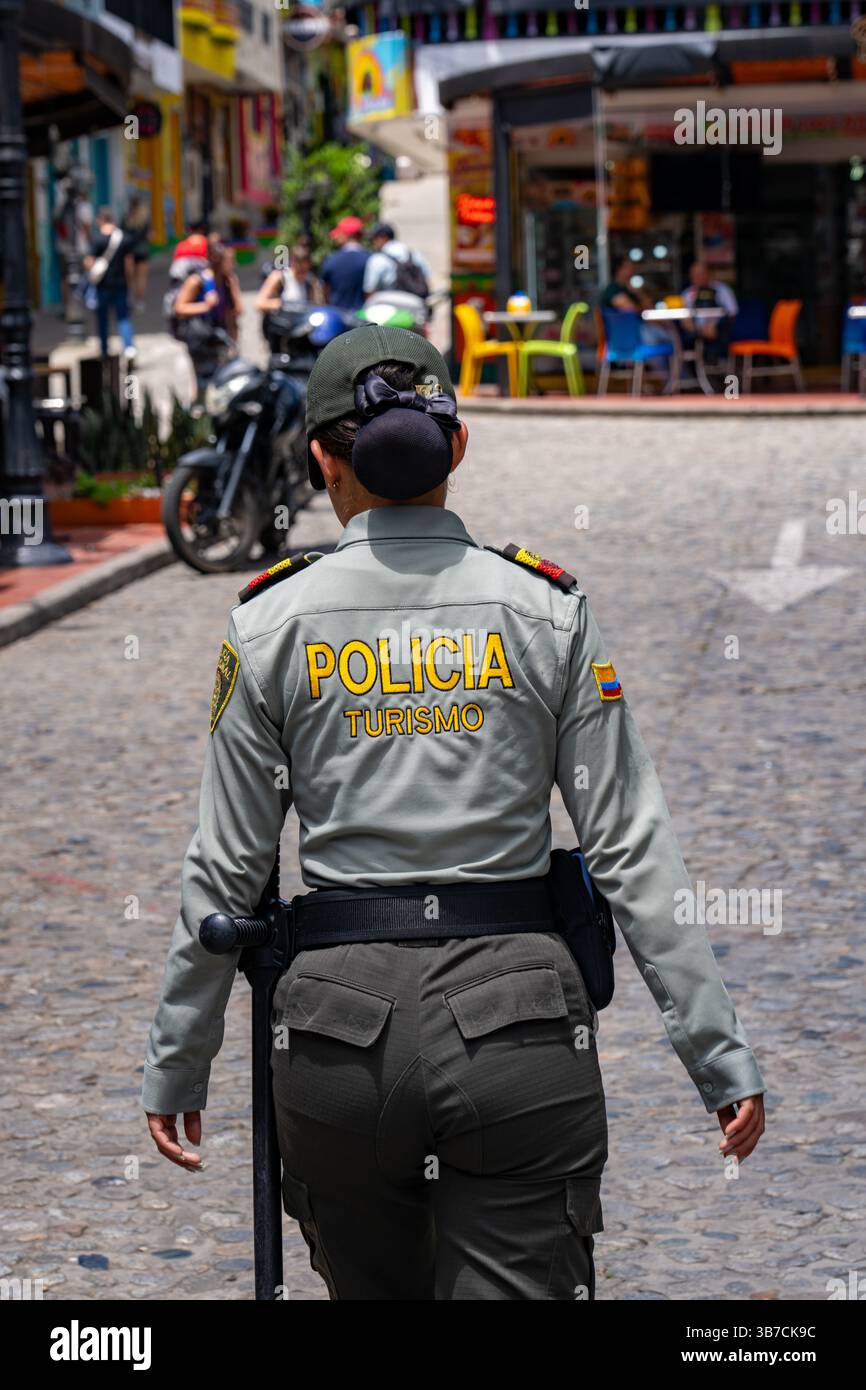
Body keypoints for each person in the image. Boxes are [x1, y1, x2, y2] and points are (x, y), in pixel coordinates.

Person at [141, 325, 766, 1301]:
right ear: (457, 446)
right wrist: (714, 1050)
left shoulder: (267, 620)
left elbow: (225, 867)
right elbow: (629, 845)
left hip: (335, 1039)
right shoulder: (544, 608)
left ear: (318, 458)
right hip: (515, 1029)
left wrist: (179, 1063)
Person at [174, 234, 241, 391]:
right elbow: (179, 308)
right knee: (204, 382)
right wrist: (205, 305)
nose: (232, 264)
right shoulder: (197, 281)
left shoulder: (226, 281)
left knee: (224, 380)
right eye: (229, 260)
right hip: (200, 339)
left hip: (220, 338)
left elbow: (236, 311)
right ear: (218, 261)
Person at [84, 206, 136, 362]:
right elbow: (129, 264)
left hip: (102, 286)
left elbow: (89, 261)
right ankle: (128, 348)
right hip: (121, 284)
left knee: (102, 319)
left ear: (101, 220)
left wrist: (93, 271)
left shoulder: (97, 239)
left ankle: (105, 350)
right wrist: (130, 282)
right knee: (123, 318)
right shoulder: (124, 238)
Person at [363, 221, 431, 300]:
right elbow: (426, 277)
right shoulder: (414, 254)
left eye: (373, 239)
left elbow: (370, 290)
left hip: (389, 306)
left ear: (382, 237)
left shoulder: (377, 259)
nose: (372, 243)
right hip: (414, 306)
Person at [682, 261, 739, 354]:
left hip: (718, 329)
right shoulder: (688, 293)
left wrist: (715, 325)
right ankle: (693, 367)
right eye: (695, 275)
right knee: (685, 337)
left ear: (708, 274)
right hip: (696, 330)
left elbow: (732, 312)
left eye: (701, 273)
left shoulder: (722, 289)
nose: (698, 277)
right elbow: (685, 318)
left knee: (724, 333)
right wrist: (699, 329)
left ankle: (722, 363)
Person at [256, 243, 325, 313]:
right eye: (299, 269)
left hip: (302, 321)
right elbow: (259, 303)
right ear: (292, 263)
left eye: (305, 270)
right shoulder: (279, 278)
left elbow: (317, 305)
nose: (302, 273)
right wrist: (281, 304)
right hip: (282, 321)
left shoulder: (310, 281)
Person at [319, 215, 369, 311]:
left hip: (338, 317)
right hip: (363, 318)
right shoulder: (371, 259)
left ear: (346, 235)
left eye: (339, 234)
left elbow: (325, 292)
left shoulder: (331, 260)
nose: (336, 237)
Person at [123, 194, 151, 313]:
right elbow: (150, 236)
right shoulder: (145, 219)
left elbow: (122, 235)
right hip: (142, 250)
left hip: (129, 251)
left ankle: (130, 300)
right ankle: (140, 302)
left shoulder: (126, 218)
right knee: (141, 278)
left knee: (130, 278)